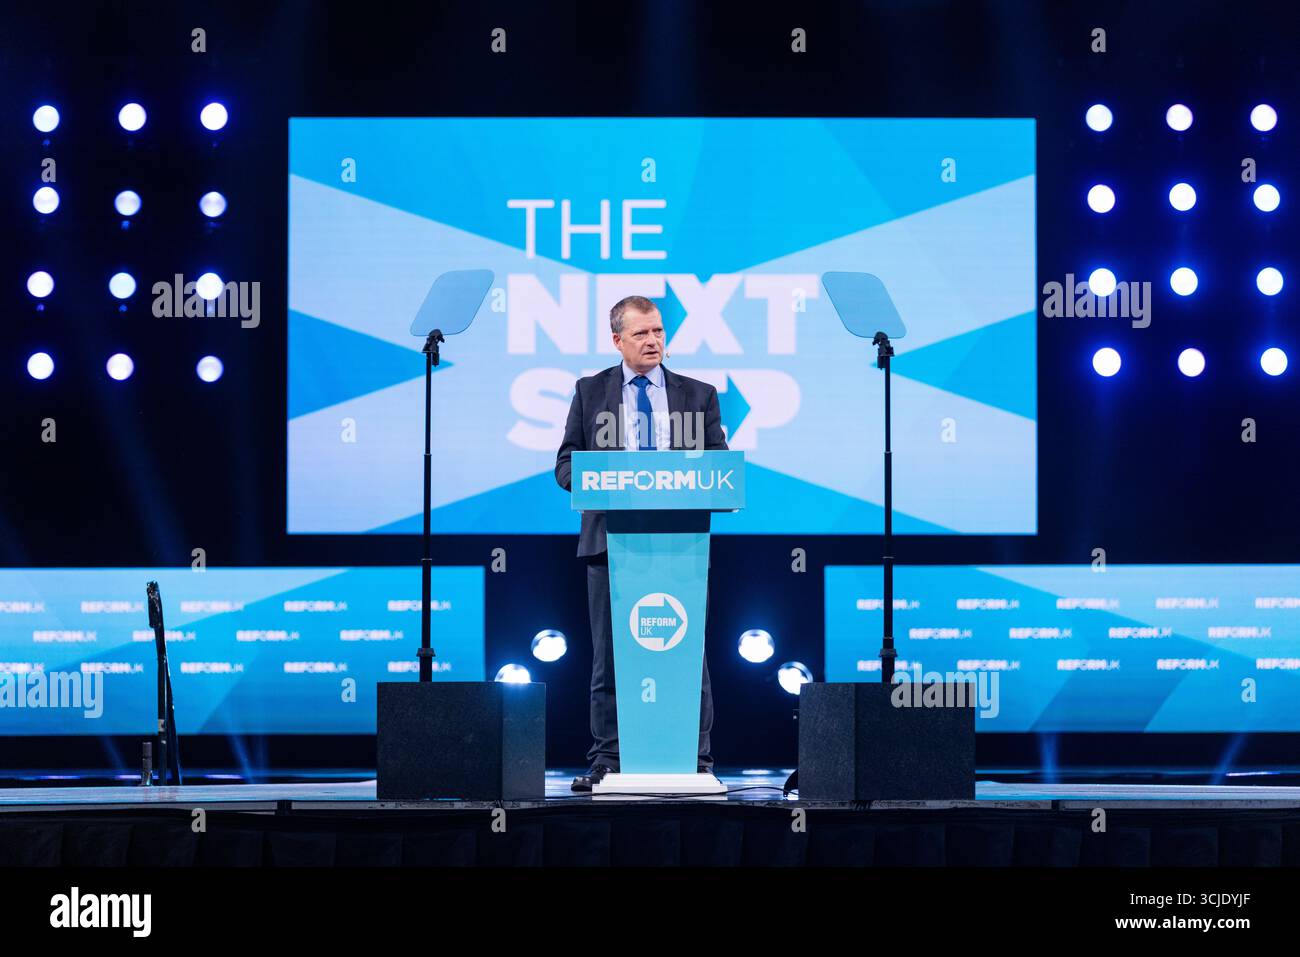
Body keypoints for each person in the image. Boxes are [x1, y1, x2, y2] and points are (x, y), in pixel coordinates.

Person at [554, 295, 728, 791]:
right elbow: (566, 464)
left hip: (680, 546)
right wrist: (597, 482)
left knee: (686, 653)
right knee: (608, 657)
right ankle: (609, 759)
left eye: (658, 332)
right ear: (617, 341)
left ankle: (697, 758)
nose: (653, 341)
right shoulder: (591, 392)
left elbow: (718, 465)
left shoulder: (699, 394)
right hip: (611, 544)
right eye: (641, 334)